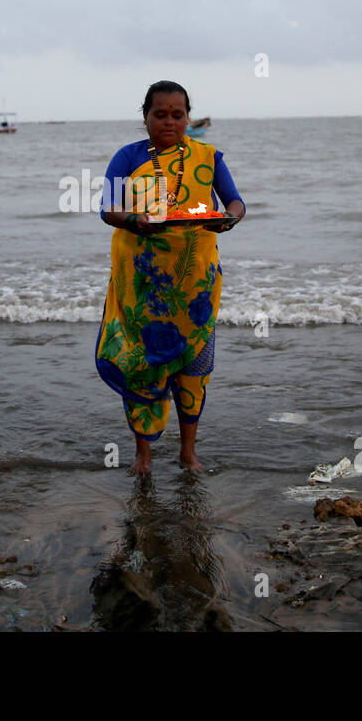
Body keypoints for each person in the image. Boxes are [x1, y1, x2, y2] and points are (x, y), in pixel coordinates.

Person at [96, 81, 245, 475]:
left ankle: (188, 454)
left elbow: (235, 200)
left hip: (195, 287)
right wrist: (134, 219)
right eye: (160, 114)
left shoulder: (208, 157)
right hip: (142, 287)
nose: (169, 121)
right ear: (145, 116)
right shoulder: (126, 158)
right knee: (142, 365)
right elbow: (107, 209)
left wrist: (229, 218)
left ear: (187, 117)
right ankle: (142, 457)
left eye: (177, 114)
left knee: (194, 370)